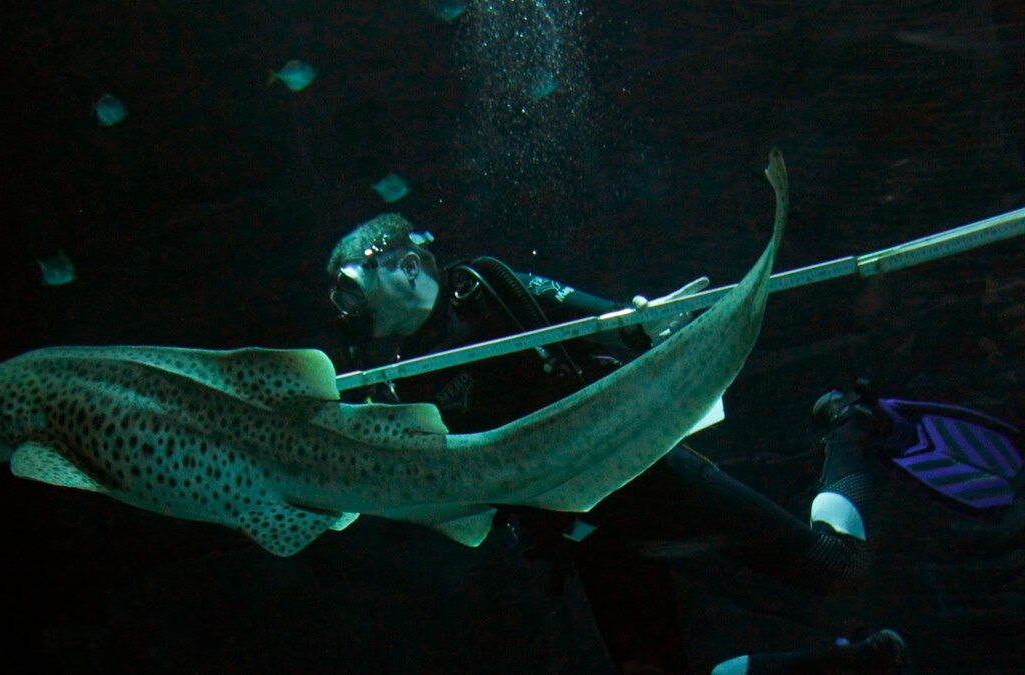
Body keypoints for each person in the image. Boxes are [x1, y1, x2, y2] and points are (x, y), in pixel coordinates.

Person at [326, 213, 904, 673]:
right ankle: (849, 663)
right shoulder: (401, 378)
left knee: (837, 569)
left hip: (644, 478)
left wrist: (645, 326)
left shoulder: (487, 288)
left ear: (405, 266)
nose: (343, 308)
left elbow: (602, 322)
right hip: (586, 530)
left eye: (350, 287)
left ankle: (850, 426)